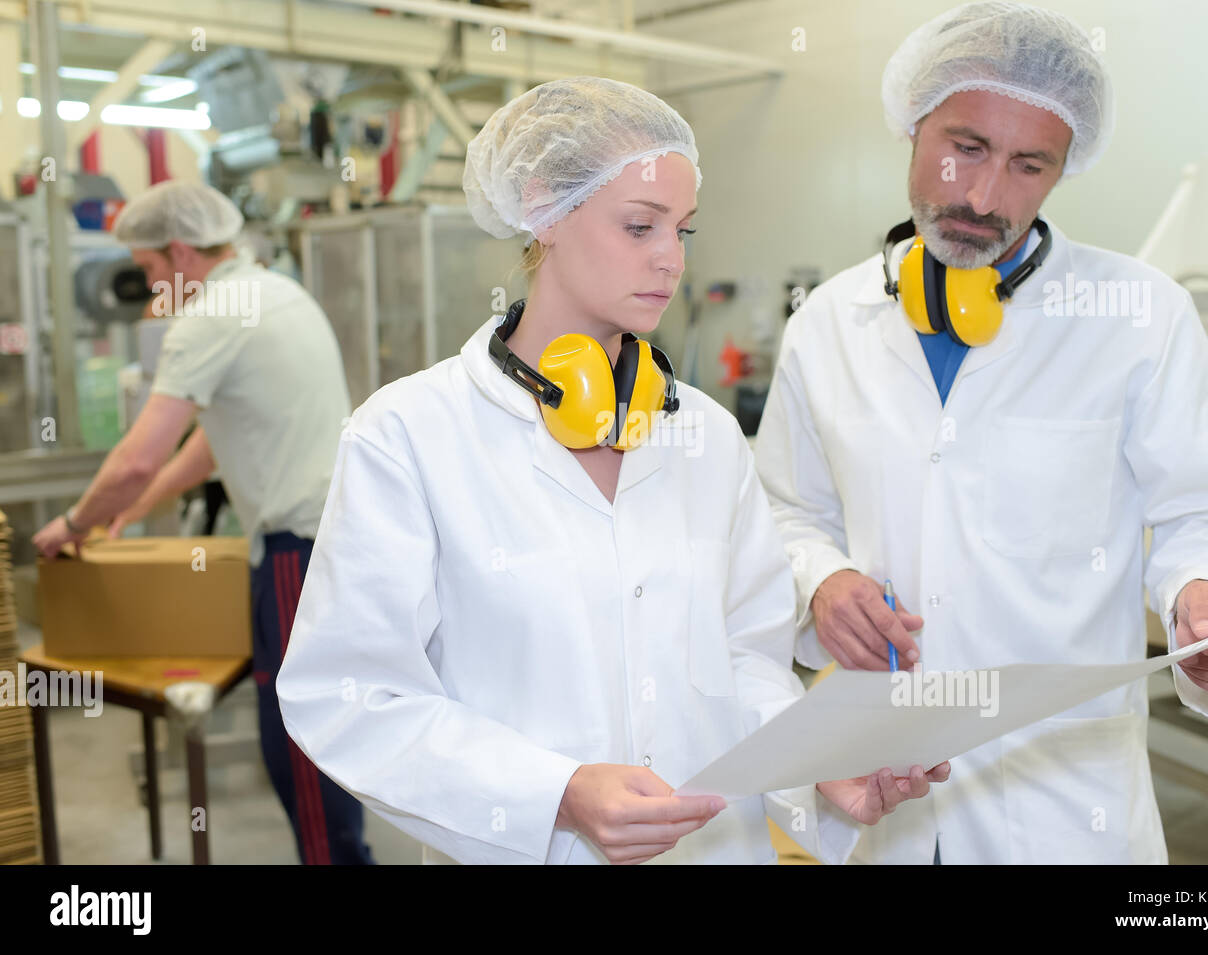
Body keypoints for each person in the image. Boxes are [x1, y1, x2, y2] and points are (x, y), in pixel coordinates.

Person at [276, 76, 948, 865]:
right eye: (639, 226)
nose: (670, 260)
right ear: (542, 210)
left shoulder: (706, 435)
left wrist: (813, 767)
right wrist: (554, 792)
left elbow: (747, 661)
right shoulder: (408, 437)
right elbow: (351, 696)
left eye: (683, 231)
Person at [754, 1, 1208, 865]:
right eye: (963, 147)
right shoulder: (826, 324)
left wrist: (1207, 588)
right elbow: (784, 513)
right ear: (912, 124)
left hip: (1066, 815)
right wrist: (822, 579)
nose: (983, 197)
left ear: (1062, 171)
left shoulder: (1140, 317)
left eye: (1028, 164)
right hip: (885, 793)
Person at [33, 180, 374, 865]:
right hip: (322, 541)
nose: (152, 288)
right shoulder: (274, 291)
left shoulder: (212, 314)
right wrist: (132, 508)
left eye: (152, 270)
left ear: (182, 252)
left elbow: (137, 454)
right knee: (318, 730)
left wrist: (71, 523)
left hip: (296, 550)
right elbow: (215, 440)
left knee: (300, 743)